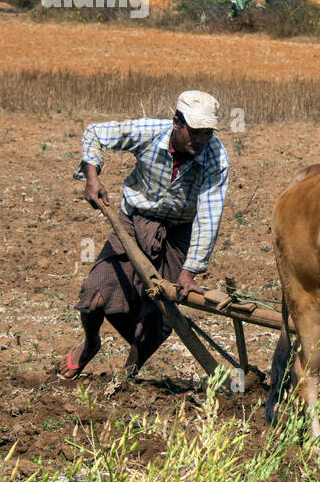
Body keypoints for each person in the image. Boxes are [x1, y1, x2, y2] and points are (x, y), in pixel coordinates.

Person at [60, 91, 230, 379]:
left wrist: (190, 271)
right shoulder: (149, 132)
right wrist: (92, 177)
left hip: (177, 235)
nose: (202, 140)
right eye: (196, 131)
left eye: (208, 133)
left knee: (161, 316)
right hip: (133, 223)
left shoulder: (216, 160)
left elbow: (209, 217)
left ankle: (127, 377)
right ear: (177, 122)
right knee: (93, 298)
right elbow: (95, 133)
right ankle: (90, 344)